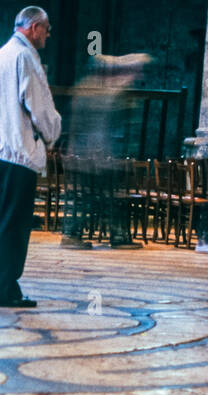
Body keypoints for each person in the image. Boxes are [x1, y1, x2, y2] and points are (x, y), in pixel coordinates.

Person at [0, 6, 61, 307]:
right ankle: (4, 290)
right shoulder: (25, 57)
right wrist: (54, 132)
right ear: (34, 27)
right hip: (18, 152)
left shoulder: (0, 55)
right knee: (14, 227)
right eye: (47, 29)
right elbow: (39, 106)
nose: (48, 35)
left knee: (4, 224)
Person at [61, 53, 149, 251]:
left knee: (89, 197)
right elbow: (111, 126)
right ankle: (114, 236)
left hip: (87, 155)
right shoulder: (107, 90)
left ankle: (76, 234)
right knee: (103, 197)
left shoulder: (86, 86)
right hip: (98, 156)